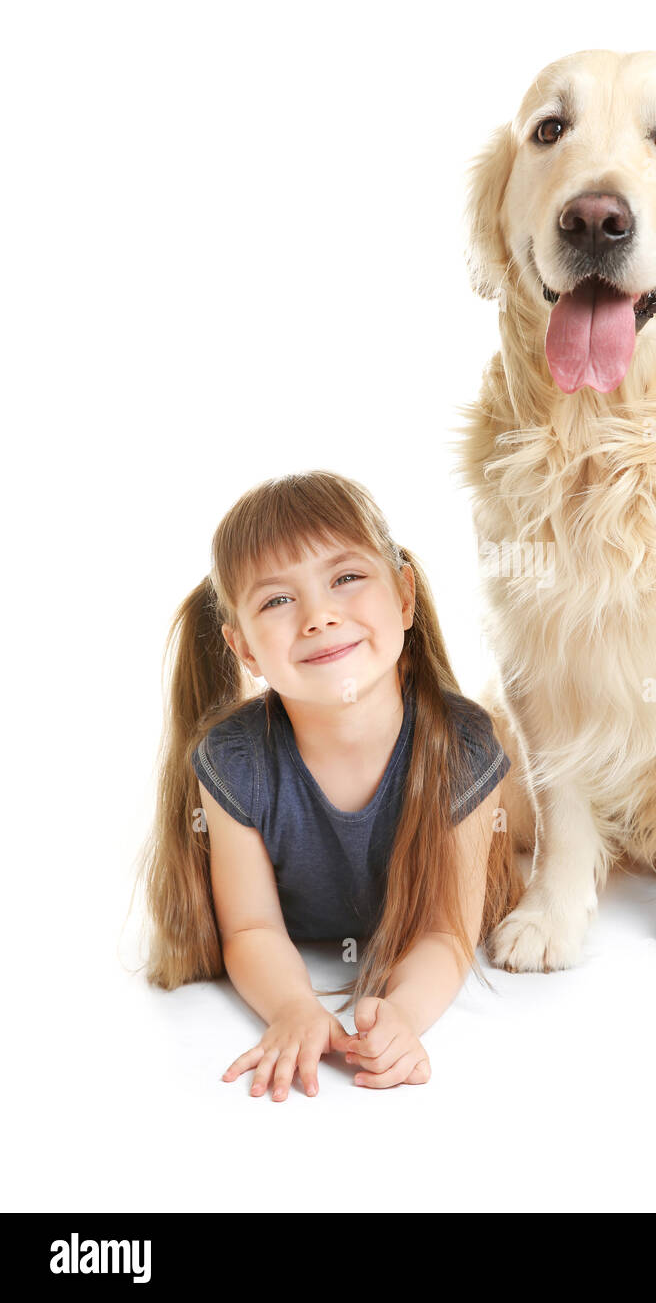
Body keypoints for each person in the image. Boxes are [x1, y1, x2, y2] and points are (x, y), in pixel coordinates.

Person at [139, 469, 523, 1097]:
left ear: (404, 594)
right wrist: (294, 1006)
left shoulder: (465, 745)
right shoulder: (235, 761)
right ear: (245, 650)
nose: (319, 616)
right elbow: (253, 928)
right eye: (276, 600)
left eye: (346, 578)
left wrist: (402, 1015)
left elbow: (444, 930)